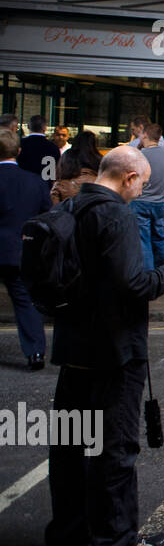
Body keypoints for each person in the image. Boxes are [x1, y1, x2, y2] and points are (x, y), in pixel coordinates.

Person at [45, 146, 164, 546]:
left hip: (73, 346)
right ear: (128, 177)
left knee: (70, 443)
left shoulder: (72, 206)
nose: (141, 190)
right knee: (116, 447)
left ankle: (68, 530)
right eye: (142, 183)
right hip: (114, 349)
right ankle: (116, 542)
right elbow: (133, 284)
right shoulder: (116, 216)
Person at [0, 128, 50, 370]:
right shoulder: (35, 181)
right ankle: (35, 352)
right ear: (18, 151)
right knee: (25, 301)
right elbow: (46, 216)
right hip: (20, 250)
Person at [130, 125, 164, 271]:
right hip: (161, 202)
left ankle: (148, 274)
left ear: (144, 135)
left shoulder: (140, 155)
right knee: (162, 238)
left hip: (141, 202)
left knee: (144, 240)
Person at [51, 132, 101, 204]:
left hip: (66, 194)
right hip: (93, 195)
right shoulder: (98, 158)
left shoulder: (67, 155)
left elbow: (58, 175)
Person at [18, 115, 60, 188]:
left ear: (28, 126)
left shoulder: (20, 144)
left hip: (23, 187)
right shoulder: (53, 147)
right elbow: (57, 171)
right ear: (45, 128)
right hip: (46, 188)